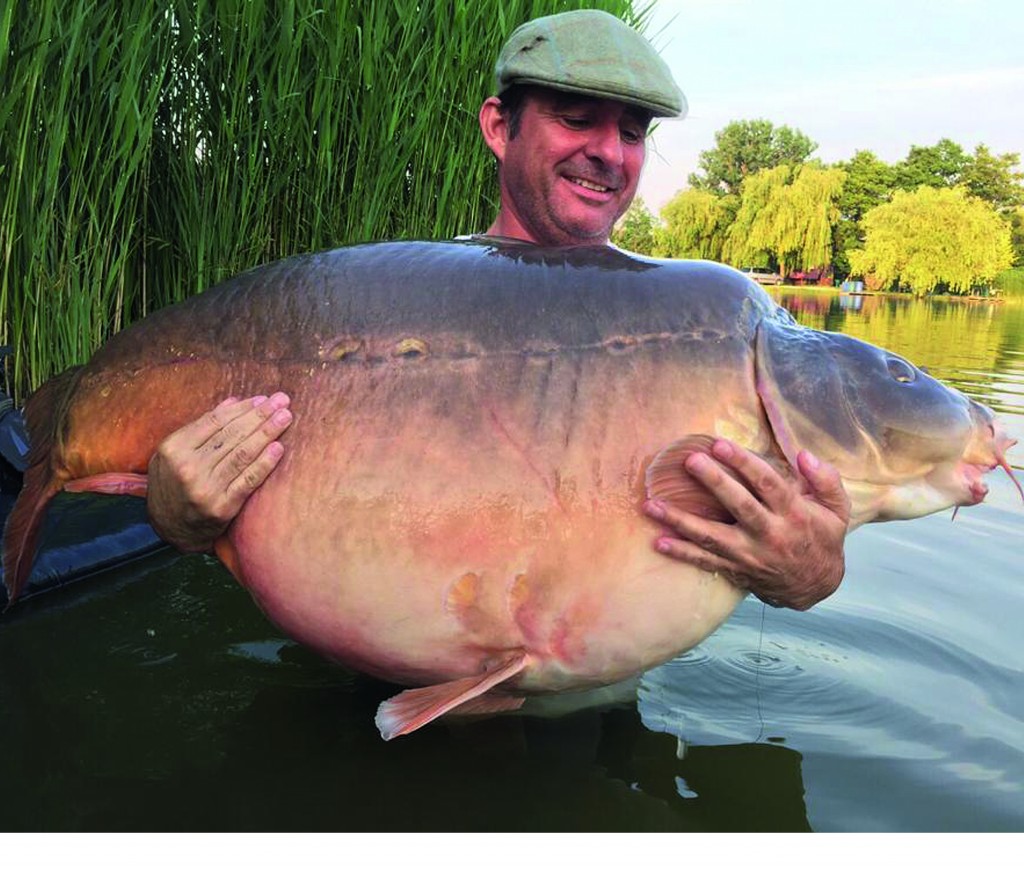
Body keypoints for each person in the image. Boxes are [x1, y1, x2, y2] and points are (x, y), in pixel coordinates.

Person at [144, 9, 850, 610]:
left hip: (593, 721)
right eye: (577, 118)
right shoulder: (394, 302)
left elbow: (773, 553)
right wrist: (178, 516)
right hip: (363, 702)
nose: (608, 152)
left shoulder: (696, 332)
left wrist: (811, 573)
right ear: (497, 127)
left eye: (632, 133)